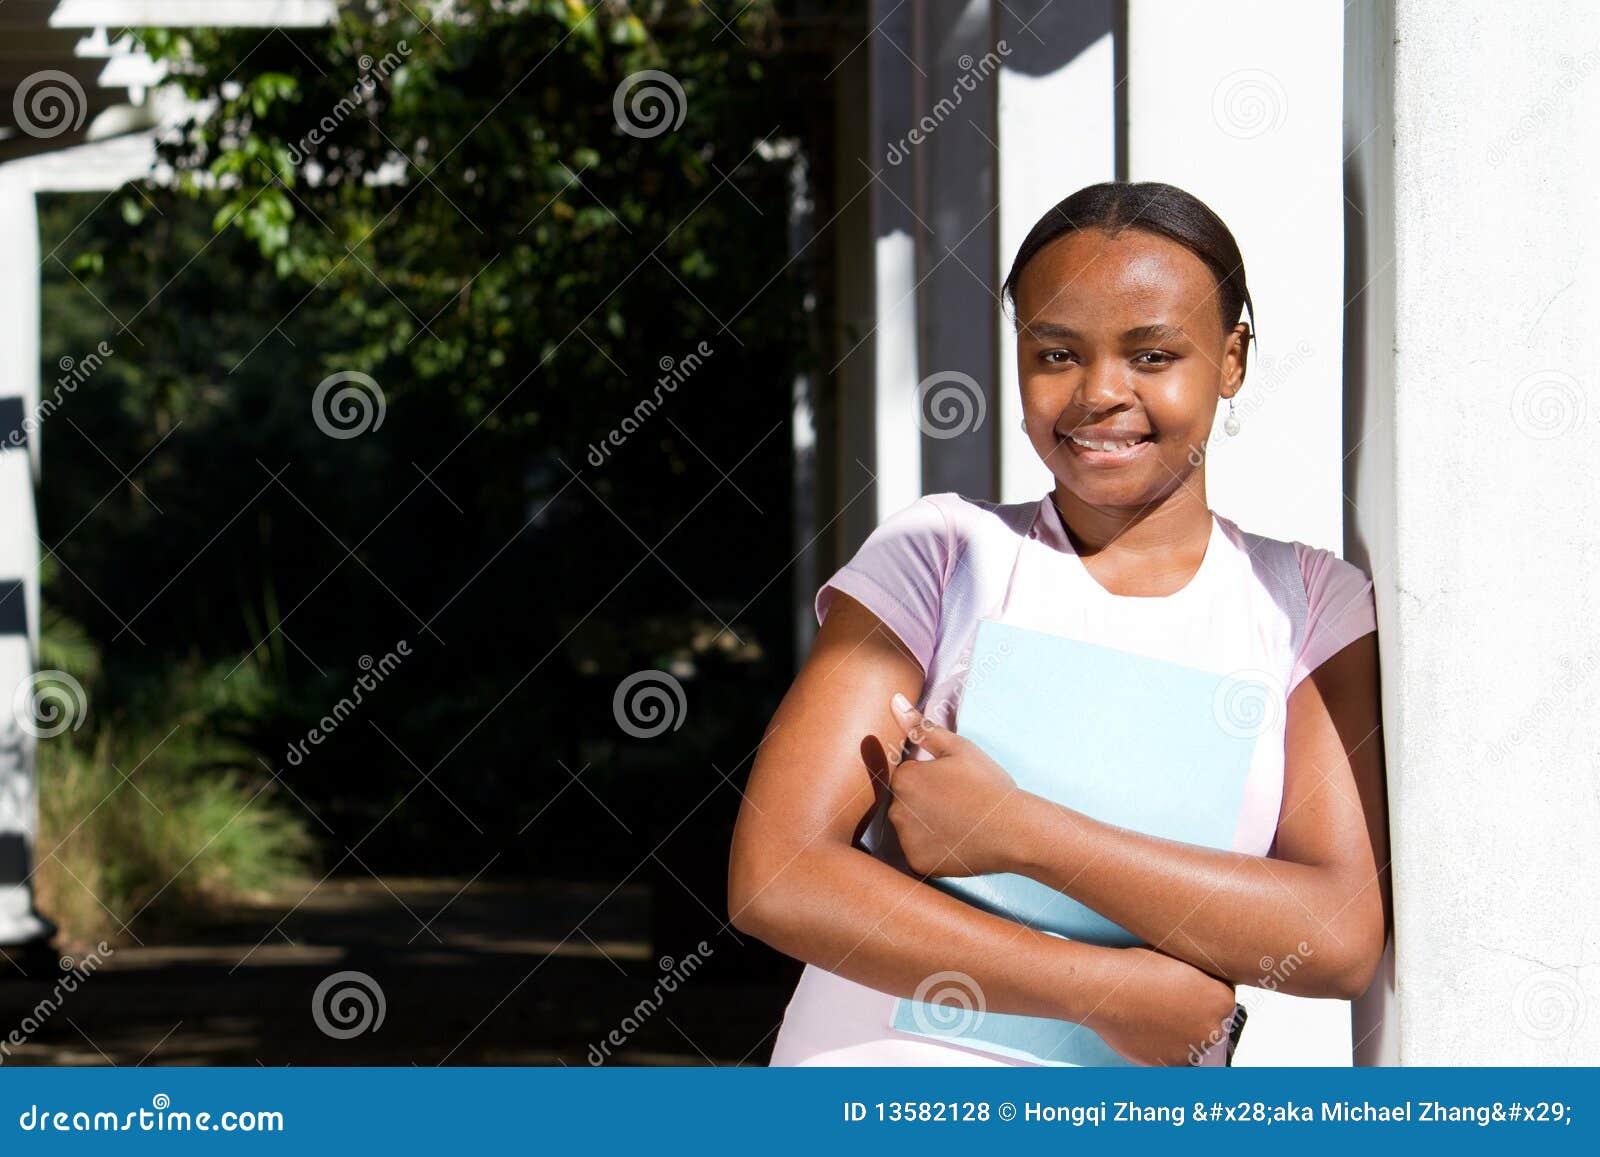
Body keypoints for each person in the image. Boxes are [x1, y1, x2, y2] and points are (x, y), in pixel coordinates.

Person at [726, 180, 1391, 1067]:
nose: (1100, 393)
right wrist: (1103, 990)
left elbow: (1338, 933)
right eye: (1056, 354)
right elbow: (778, 873)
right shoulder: (944, 553)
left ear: (1231, 360)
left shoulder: (1307, 603)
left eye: (1153, 355)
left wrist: (1021, 832)